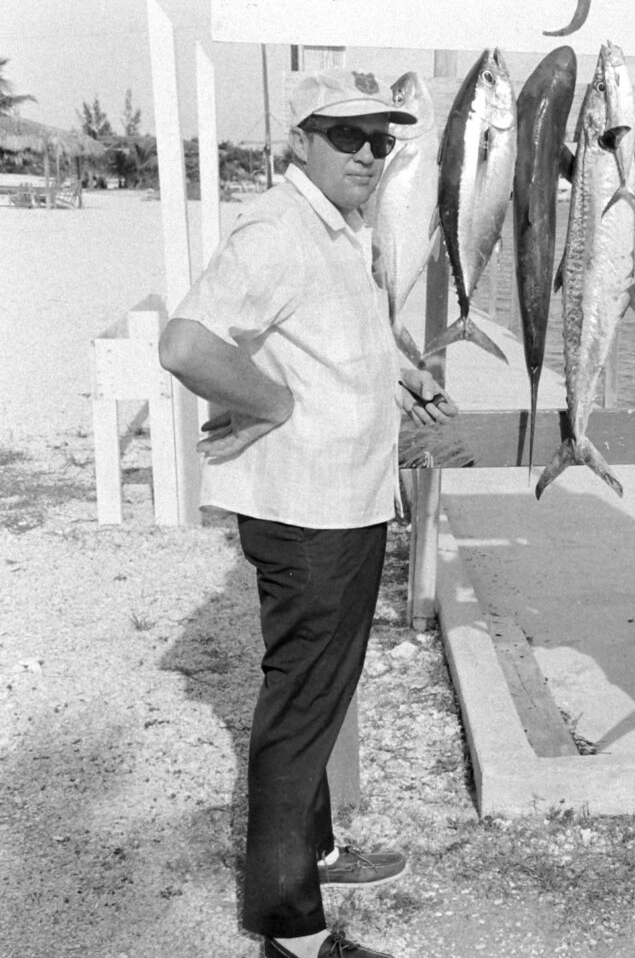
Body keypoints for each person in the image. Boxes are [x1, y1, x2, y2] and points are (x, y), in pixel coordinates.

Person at [159, 68, 457, 958]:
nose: (371, 153)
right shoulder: (279, 230)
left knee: (317, 693)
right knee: (301, 706)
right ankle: (289, 930)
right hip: (311, 512)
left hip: (344, 502)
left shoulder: (338, 227)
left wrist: (402, 372)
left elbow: (338, 329)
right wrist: (271, 404)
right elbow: (187, 343)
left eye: (383, 139)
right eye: (348, 135)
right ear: (302, 139)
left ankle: (316, 848)